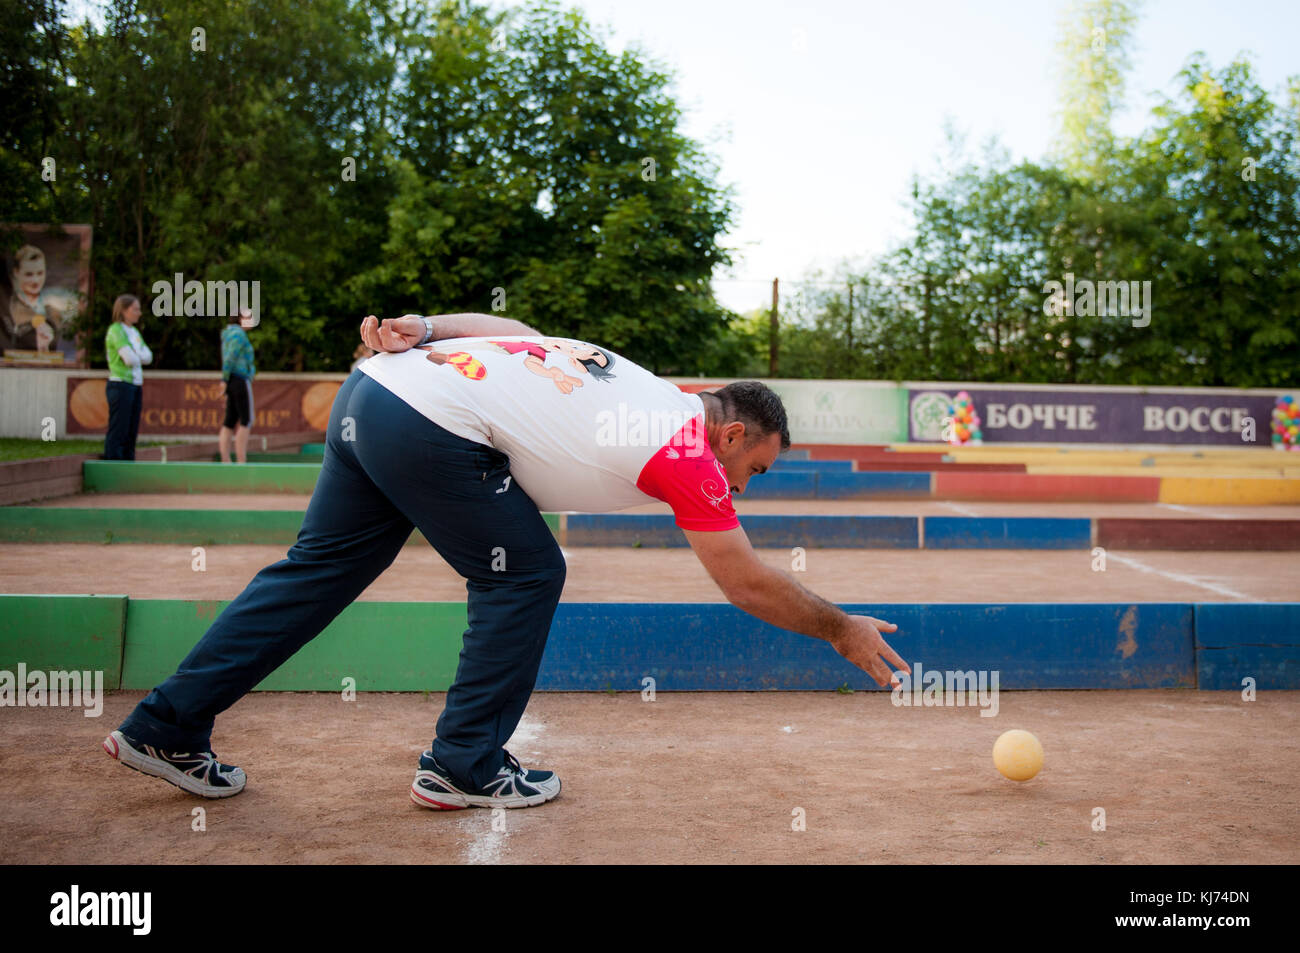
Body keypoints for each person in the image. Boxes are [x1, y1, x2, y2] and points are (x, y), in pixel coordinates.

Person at [103, 312, 908, 809]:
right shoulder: (688, 448)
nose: (742, 486)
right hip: (429, 421)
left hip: (373, 394)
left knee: (319, 572)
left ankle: (165, 725)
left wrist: (423, 324)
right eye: (753, 469)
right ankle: (463, 764)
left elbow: (515, 332)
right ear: (732, 435)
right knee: (527, 571)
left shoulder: (636, 379)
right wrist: (838, 627)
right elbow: (742, 580)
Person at [102, 295, 151, 460]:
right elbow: (129, 359)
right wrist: (138, 355)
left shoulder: (135, 332)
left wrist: (136, 354)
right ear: (123, 310)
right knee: (119, 428)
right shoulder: (116, 330)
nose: (139, 313)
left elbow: (148, 356)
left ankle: (128, 464)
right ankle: (113, 464)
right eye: (135, 309)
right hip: (120, 384)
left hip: (136, 384)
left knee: (131, 429)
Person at [218, 308, 256, 463]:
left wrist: (225, 380)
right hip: (239, 379)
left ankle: (226, 460)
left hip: (233, 380)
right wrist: (224, 379)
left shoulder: (228, 334)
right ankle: (241, 460)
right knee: (246, 419)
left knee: (230, 420)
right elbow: (230, 358)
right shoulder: (239, 335)